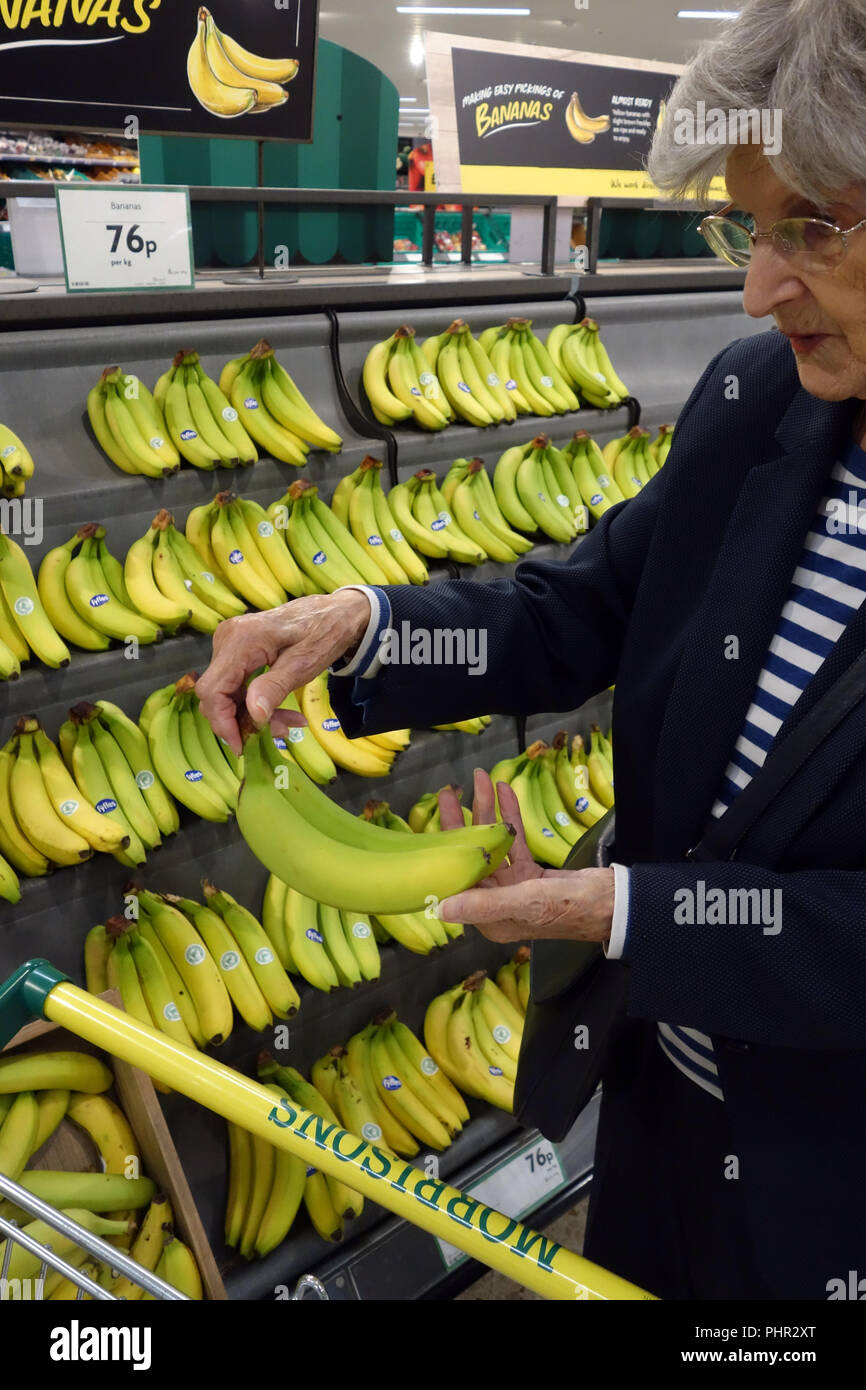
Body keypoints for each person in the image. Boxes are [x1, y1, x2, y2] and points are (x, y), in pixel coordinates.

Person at [196, 0, 866, 1301]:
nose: (757, 285)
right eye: (746, 227)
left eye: (812, 231)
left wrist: (625, 910)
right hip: (659, 1126)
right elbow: (578, 610)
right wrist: (361, 629)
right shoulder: (754, 403)